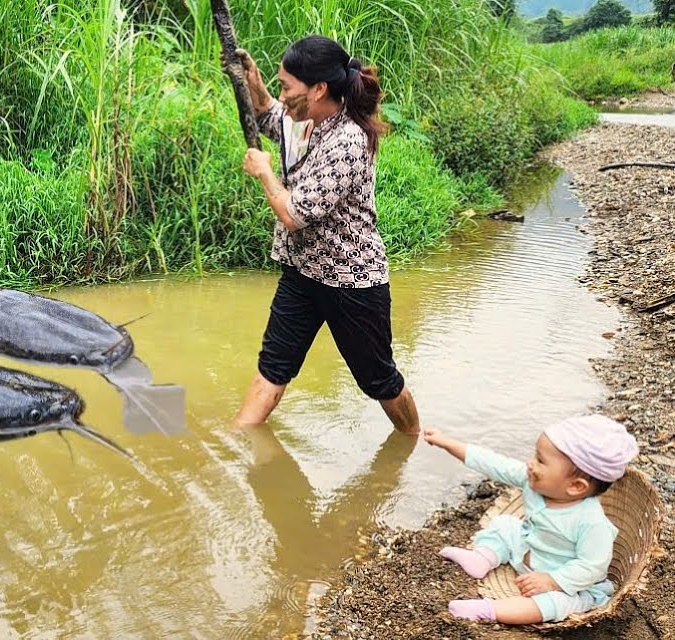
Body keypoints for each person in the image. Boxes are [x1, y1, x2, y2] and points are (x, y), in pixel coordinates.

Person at [230, 35, 419, 434]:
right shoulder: (306, 122)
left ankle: (413, 440)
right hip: (302, 273)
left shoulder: (348, 140)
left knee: (379, 380)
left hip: (350, 282)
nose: (282, 94)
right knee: (273, 368)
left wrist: (264, 171)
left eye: (287, 86)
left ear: (318, 90)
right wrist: (253, 81)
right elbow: (269, 116)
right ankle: (238, 442)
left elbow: (295, 215)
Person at [423, 415, 638, 625]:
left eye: (540, 461)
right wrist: (447, 442)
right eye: (535, 455)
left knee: (556, 604)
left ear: (575, 486)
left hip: (568, 583)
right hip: (528, 552)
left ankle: (490, 610)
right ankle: (483, 558)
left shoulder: (591, 521)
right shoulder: (533, 482)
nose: (530, 464)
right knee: (504, 524)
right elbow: (494, 464)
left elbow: (593, 567)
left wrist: (552, 581)